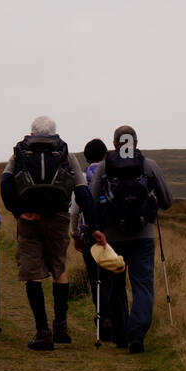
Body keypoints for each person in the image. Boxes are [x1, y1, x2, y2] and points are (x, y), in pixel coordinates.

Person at [0, 116, 106, 351]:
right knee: (60, 267)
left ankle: (42, 332)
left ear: (31, 131)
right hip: (58, 217)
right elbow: (82, 192)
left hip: (29, 220)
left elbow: (6, 184)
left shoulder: (20, 154)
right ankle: (61, 327)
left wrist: (18, 212)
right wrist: (94, 227)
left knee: (32, 272)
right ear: (55, 133)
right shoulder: (66, 155)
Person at [85, 125, 173, 354]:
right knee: (142, 285)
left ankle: (121, 333)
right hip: (143, 236)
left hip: (112, 237)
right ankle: (137, 335)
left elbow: (91, 201)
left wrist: (93, 229)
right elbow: (167, 201)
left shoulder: (105, 167)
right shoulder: (148, 165)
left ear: (114, 144)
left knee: (115, 285)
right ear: (135, 142)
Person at [72, 138, 109, 336]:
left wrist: (74, 234)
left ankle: (101, 320)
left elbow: (75, 210)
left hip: (89, 236)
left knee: (95, 278)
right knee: (111, 277)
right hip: (111, 234)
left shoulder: (84, 177)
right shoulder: (110, 174)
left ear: (86, 158)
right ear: (105, 154)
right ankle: (116, 318)